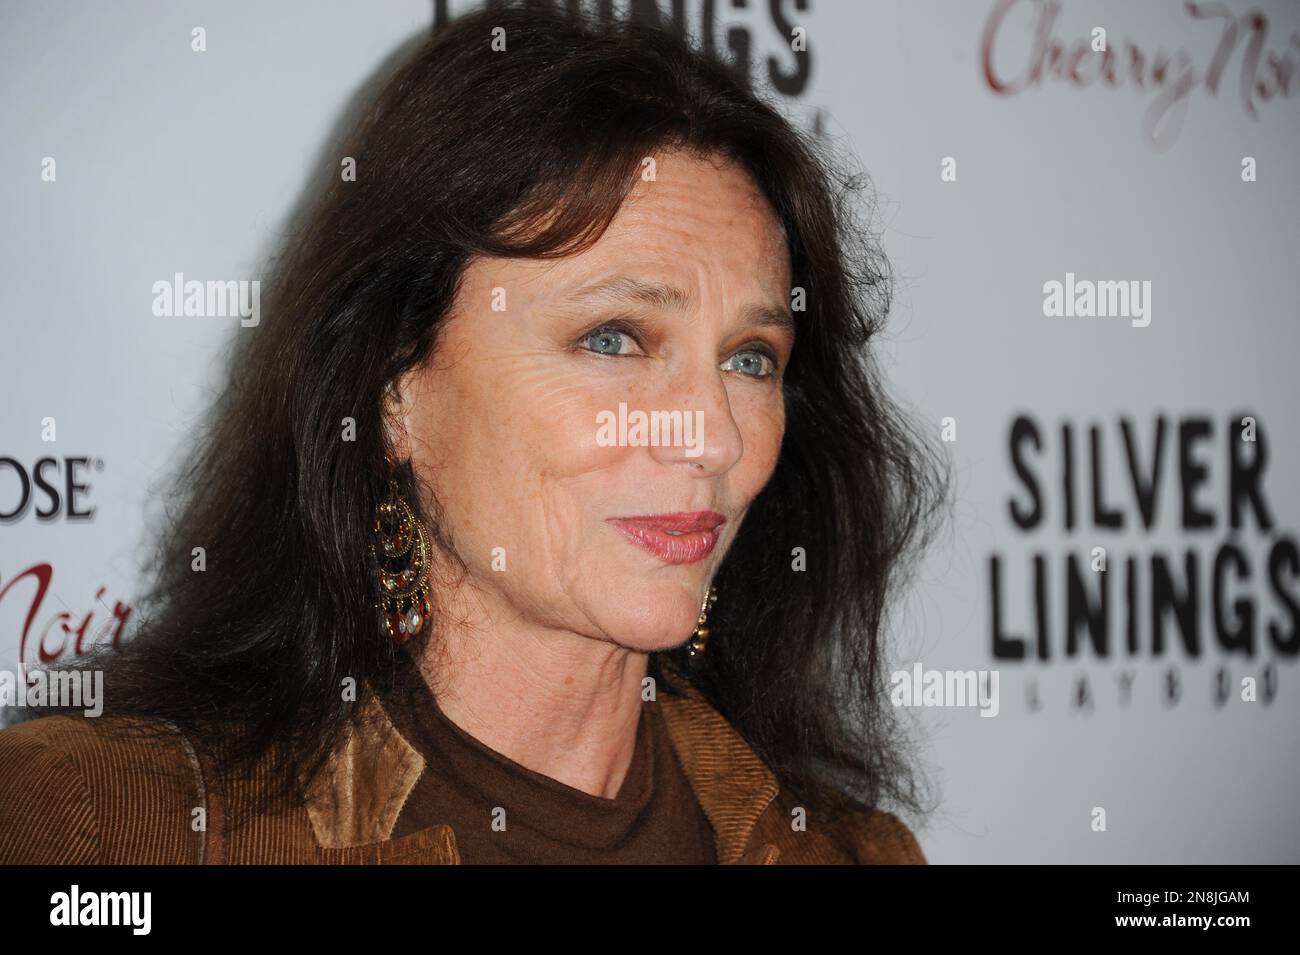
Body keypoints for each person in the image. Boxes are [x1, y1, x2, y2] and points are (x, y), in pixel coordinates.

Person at [0, 1, 947, 865]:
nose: (711, 437)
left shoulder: (850, 853)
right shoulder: (108, 823)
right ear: (392, 387)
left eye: (750, 358)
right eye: (613, 338)